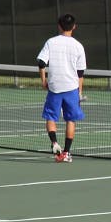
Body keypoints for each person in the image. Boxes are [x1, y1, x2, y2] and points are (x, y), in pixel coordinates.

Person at [37, 13, 87, 163]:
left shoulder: (50, 42)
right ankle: (66, 153)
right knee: (71, 120)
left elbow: (41, 63)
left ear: (59, 26)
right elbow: (80, 73)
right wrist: (79, 92)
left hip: (55, 86)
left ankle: (54, 143)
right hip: (71, 87)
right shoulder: (78, 46)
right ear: (74, 27)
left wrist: (44, 81)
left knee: (50, 117)